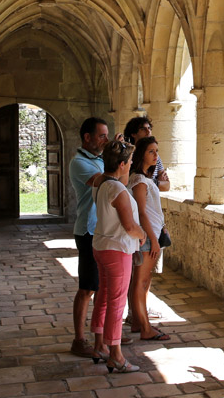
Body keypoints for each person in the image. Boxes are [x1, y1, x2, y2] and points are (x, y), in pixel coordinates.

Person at [89, 139, 145, 373]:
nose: (131, 166)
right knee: (117, 301)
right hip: (117, 250)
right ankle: (116, 355)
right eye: (130, 162)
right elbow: (130, 226)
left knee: (103, 296)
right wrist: (142, 234)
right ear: (122, 164)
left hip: (101, 245)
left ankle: (99, 345)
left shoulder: (101, 183)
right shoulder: (119, 191)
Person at [67, 117, 111, 358]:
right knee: (87, 287)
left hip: (104, 231)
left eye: (106, 136)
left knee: (104, 287)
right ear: (87, 137)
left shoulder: (100, 159)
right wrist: (117, 158)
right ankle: (79, 339)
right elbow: (105, 183)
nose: (105, 140)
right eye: (101, 136)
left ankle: (104, 335)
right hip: (88, 230)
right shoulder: (79, 163)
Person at [127, 136, 170, 341]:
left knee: (144, 282)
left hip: (152, 234)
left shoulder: (145, 177)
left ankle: (139, 322)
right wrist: (153, 238)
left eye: (157, 151)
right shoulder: (138, 179)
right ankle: (145, 327)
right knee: (140, 282)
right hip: (147, 237)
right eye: (151, 151)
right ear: (141, 154)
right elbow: (142, 212)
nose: (156, 155)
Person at [123, 116, 170, 191]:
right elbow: (128, 182)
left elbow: (166, 186)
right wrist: (156, 182)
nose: (148, 132)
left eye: (149, 128)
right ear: (133, 134)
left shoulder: (155, 157)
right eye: (143, 129)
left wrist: (150, 182)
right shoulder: (127, 155)